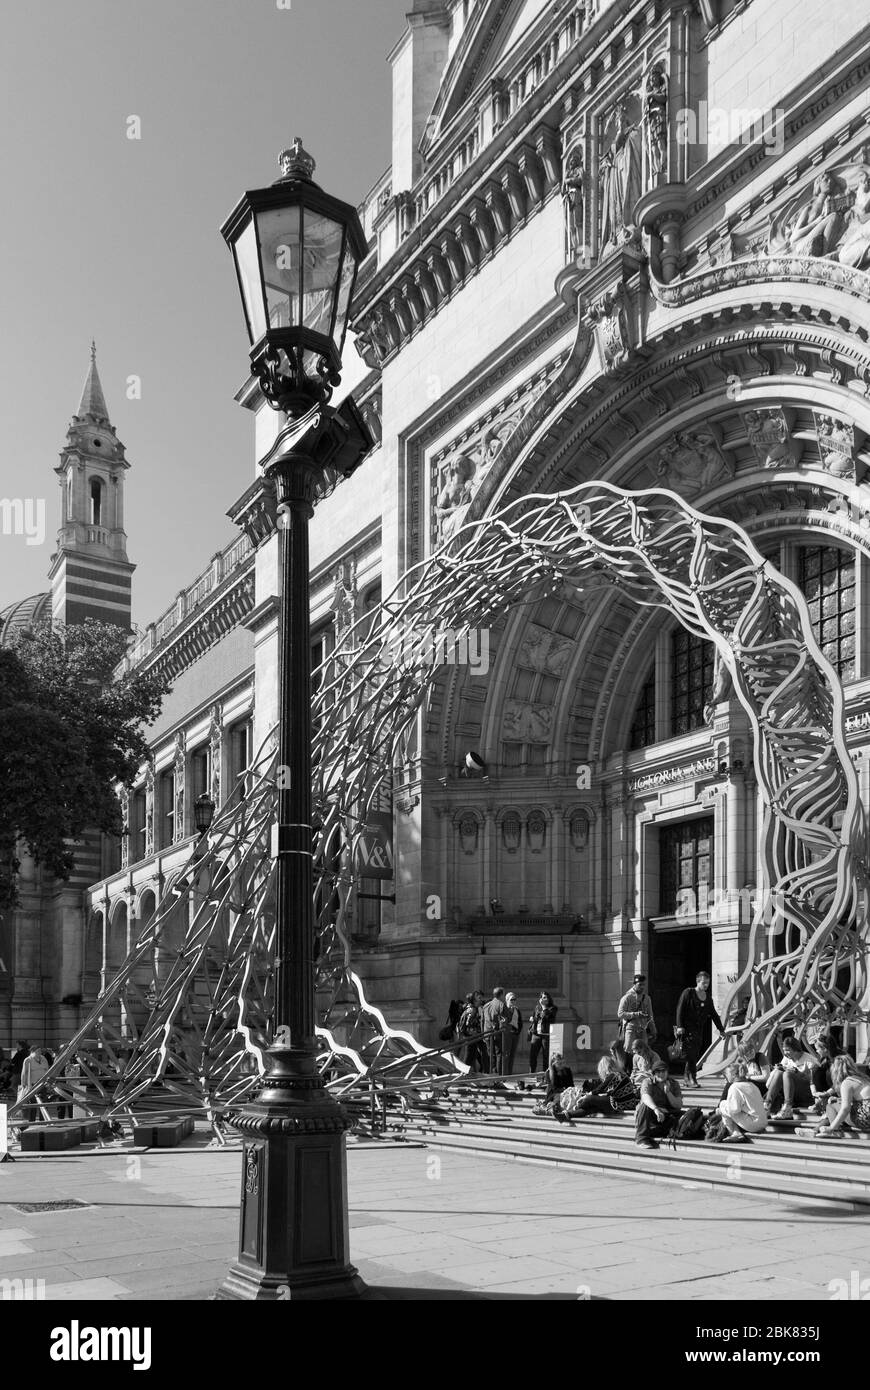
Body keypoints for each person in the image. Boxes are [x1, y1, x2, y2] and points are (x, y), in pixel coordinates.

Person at [675, 970, 725, 1086]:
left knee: (693, 1054)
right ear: (698, 982)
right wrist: (679, 1026)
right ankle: (692, 1078)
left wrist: (721, 1029)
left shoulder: (708, 998)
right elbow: (680, 1009)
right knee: (690, 1054)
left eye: (707, 983)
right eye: (704, 983)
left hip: (698, 1030)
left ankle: (687, 1078)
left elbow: (713, 1014)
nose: (706, 985)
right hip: (686, 1029)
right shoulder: (688, 992)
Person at [562, 1046, 636, 1117]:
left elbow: (600, 1089)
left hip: (621, 1104)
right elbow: (615, 1091)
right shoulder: (620, 1074)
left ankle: (573, 1108)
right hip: (628, 1103)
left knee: (589, 1099)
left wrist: (585, 1096)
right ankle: (568, 1114)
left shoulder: (613, 1075)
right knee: (593, 1108)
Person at [764, 1033, 817, 1119]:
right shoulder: (787, 1058)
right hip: (789, 1091)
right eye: (784, 1050)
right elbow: (770, 1081)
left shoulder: (809, 1060)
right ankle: (767, 1105)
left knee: (787, 1073)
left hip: (806, 1092)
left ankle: (787, 1108)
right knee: (779, 1072)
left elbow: (813, 1080)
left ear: (796, 1049)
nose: (785, 1053)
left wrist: (797, 1073)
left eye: (788, 1050)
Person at [817, 1055, 870, 1137]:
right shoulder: (864, 1078)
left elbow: (845, 1108)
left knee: (830, 1106)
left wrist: (831, 1127)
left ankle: (834, 1131)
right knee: (836, 1104)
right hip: (867, 1113)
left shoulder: (847, 1082)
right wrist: (839, 1099)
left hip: (865, 1119)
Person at [635, 1060, 683, 1149]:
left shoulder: (674, 1083)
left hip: (666, 1115)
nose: (661, 1074)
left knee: (686, 1114)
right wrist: (656, 1109)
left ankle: (671, 1131)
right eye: (658, 1072)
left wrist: (668, 1092)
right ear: (654, 1073)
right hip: (651, 1115)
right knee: (645, 1106)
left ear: (667, 1072)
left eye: (663, 1071)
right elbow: (645, 1097)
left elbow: (678, 1105)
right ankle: (641, 1139)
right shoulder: (647, 1082)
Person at [717, 1063, 767, 1141]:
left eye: (725, 1075)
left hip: (753, 1124)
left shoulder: (735, 1087)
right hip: (763, 1122)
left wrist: (720, 1110)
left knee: (723, 1104)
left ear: (733, 1075)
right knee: (727, 1106)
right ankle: (737, 1132)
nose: (725, 1078)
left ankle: (735, 1133)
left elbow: (733, 1110)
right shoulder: (752, 1085)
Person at [617, 973, 656, 1054]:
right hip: (630, 1029)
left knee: (644, 1053)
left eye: (643, 985)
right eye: (640, 984)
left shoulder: (647, 998)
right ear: (634, 984)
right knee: (629, 1052)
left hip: (643, 1030)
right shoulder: (627, 997)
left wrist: (653, 1030)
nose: (642, 987)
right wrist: (636, 1014)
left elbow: (650, 1016)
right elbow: (620, 1014)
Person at [17, 1045, 50, 1122]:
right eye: (37, 1051)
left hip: (42, 1084)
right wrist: (23, 1084)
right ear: (32, 1052)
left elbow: (47, 1070)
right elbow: (24, 1073)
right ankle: (31, 1121)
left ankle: (43, 1121)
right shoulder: (28, 1060)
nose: (39, 1052)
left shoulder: (43, 1059)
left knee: (43, 1103)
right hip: (32, 1085)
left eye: (40, 1051)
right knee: (33, 1104)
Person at [810, 1034, 841, 1114]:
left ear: (825, 1049)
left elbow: (840, 1081)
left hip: (839, 1091)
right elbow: (814, 1078)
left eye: (817, 1049)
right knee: (816, 1069)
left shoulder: (839, 1060)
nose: (816, 1051)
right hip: (828, 1090)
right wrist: (815, 1093)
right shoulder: (824, 1059)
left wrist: (827, 1094)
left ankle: (824, 1102)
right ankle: (819, 1101)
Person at [528, 991, 557, 1074]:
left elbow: (546, 1017)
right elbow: (536, 1017)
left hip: (546, 1035)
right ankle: (531, 1074)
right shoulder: (537, 1007)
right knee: (533, 1055)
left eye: (546, 997)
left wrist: (544, 1007)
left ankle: (545, 1075)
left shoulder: (553, 1008)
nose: (544, 999)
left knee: (546, 1056)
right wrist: (532, 1019)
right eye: (542, 997)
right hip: (536, 1034)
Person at [481, 987, 507, 1075]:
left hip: (487, 1033)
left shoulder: (486, 1005)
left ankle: (492, 1073)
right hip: (497, 1033)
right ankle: (498, 1075)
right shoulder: (501, 1004)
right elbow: (507, 1018)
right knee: (499, 1054)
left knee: (490, 1055)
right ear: (502, 994)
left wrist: (482, 1034)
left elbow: (482, 1020)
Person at [457, 992, 486, 1072]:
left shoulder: (473, 1008)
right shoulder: (472, 1010)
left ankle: (468, 1074)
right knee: (469, 1057)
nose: (481, 1000)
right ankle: (463, 1074)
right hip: (470, 1037)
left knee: (473, 1056)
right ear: (474, 1000)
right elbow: (468, 1025)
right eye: (479, 998)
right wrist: (477, 1032)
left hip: (472, 1037)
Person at [502, 992, 523, 1076]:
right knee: (506, 1055)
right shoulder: (504, 1009)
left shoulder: (517, 1009)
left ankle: (509, 1074)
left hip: (515, 1035)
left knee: (512, 1055)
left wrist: (518, 1032)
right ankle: (505, 1074)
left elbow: (520, 1022)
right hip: (507, 1035)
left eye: (515, 999)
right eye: (511, 999)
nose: (513, 1001)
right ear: (507, 1000)